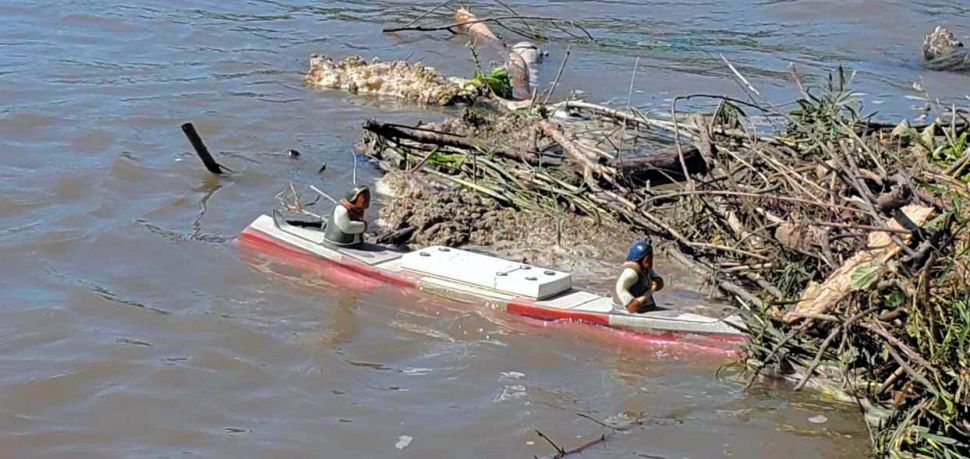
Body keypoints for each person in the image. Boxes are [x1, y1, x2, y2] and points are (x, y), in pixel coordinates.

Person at [613, 238, 665, 314]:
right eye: (648, 258)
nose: (650, 261)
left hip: (647, 307)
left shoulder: (646, 269)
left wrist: (657, 282)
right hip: (624, 309)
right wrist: (651, 290)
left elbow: (659, 284)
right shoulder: (630, 274)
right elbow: (632, 307)